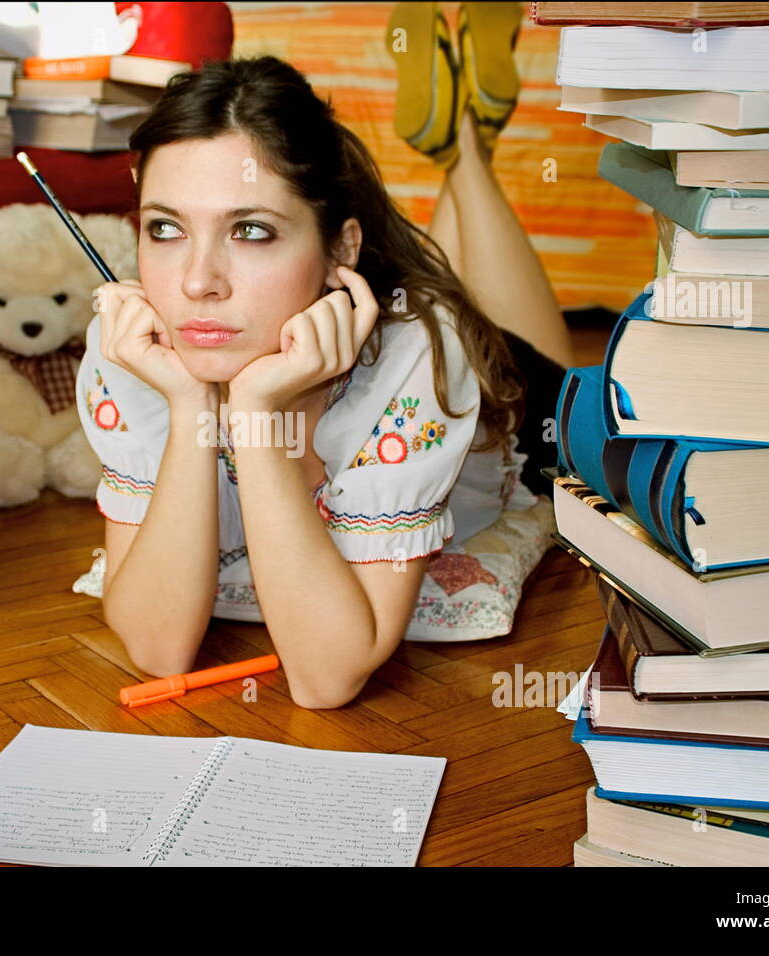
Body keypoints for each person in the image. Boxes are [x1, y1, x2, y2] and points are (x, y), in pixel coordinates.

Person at [78, 12, 571, 709]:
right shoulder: (133, 342)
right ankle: (462, 129)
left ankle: (466, 138)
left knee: (509, 345)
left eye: (250, 231)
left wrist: (252, 413)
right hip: (371, 322)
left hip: (522, 404)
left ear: (342, 248)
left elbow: (324, 678)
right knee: (448, 285)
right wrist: (194, 404)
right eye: (165, 228)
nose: (195, 283)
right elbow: (158, 649)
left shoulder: (419, 357)